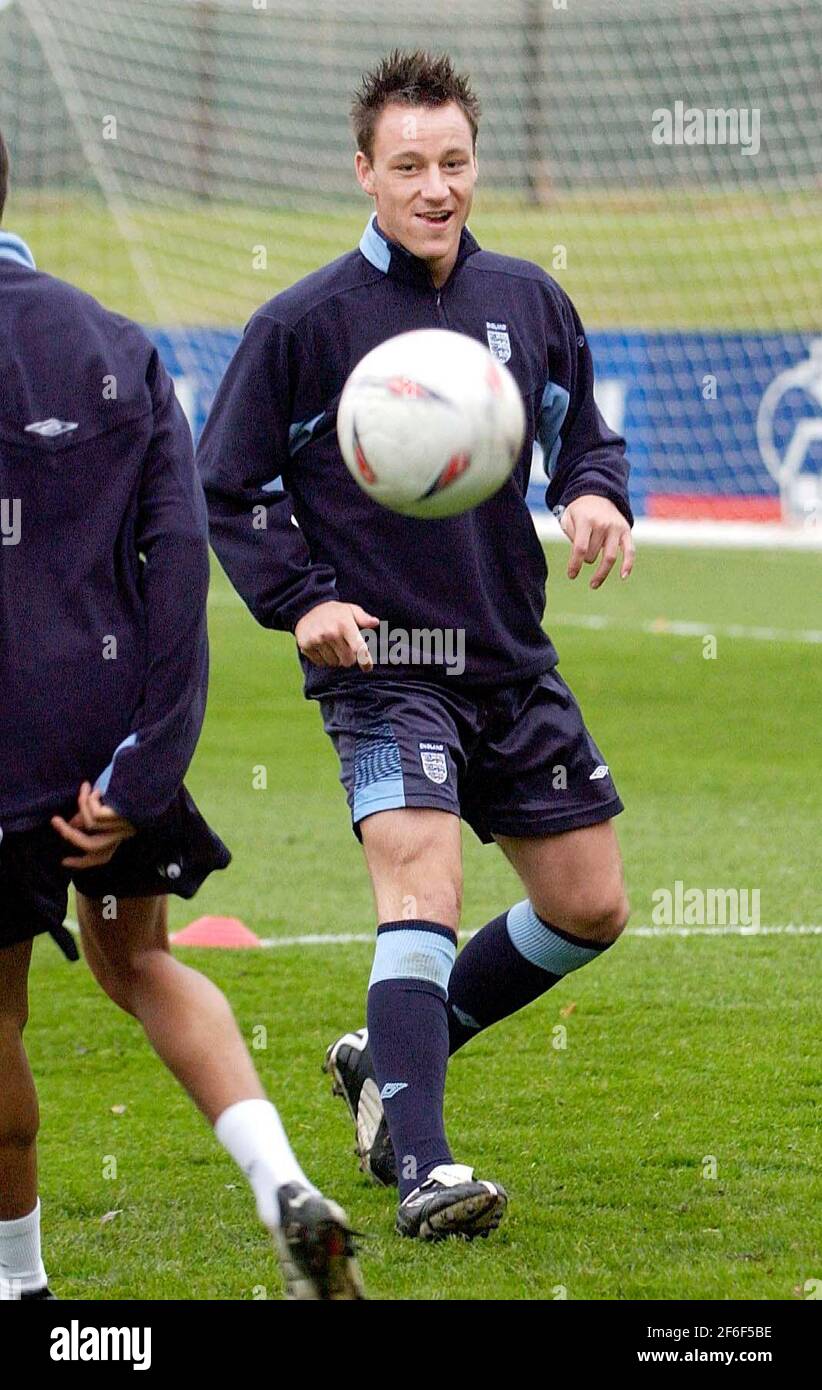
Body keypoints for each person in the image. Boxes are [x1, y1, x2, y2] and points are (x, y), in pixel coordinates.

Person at [197, 49, 634, 1243]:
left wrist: (597, 496)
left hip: (510, 656)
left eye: (453, 162)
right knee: (421, 890)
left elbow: (583, 441)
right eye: (409, 166)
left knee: (591, 908)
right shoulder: (304, 324)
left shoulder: (531, 303)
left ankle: (393, 1050)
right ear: (365, 173)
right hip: (387, 663)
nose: (436, 186)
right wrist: (300, 603)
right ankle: (428, 1166)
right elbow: (226, 487)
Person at [0, 130, 363, 1300]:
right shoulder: (117, 342)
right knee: (143, 959)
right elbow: (178, 567)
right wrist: (145, 766)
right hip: (108, 737)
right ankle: (280, 1185)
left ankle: (20, 1283)